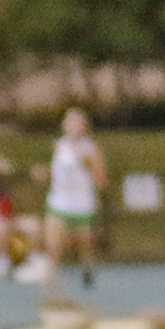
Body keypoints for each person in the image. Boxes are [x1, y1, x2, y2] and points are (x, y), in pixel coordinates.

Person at [42, 107, 108, 300]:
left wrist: (86, 163)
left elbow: (102, 181)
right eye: (69, 122)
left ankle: (87, 268)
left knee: (84, 244)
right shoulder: (59, 145)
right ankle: (50, 290)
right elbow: (57, 171)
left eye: (77, 122)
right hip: (59, 203)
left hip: (83, 205)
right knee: (53, 246)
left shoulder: (91, 149)